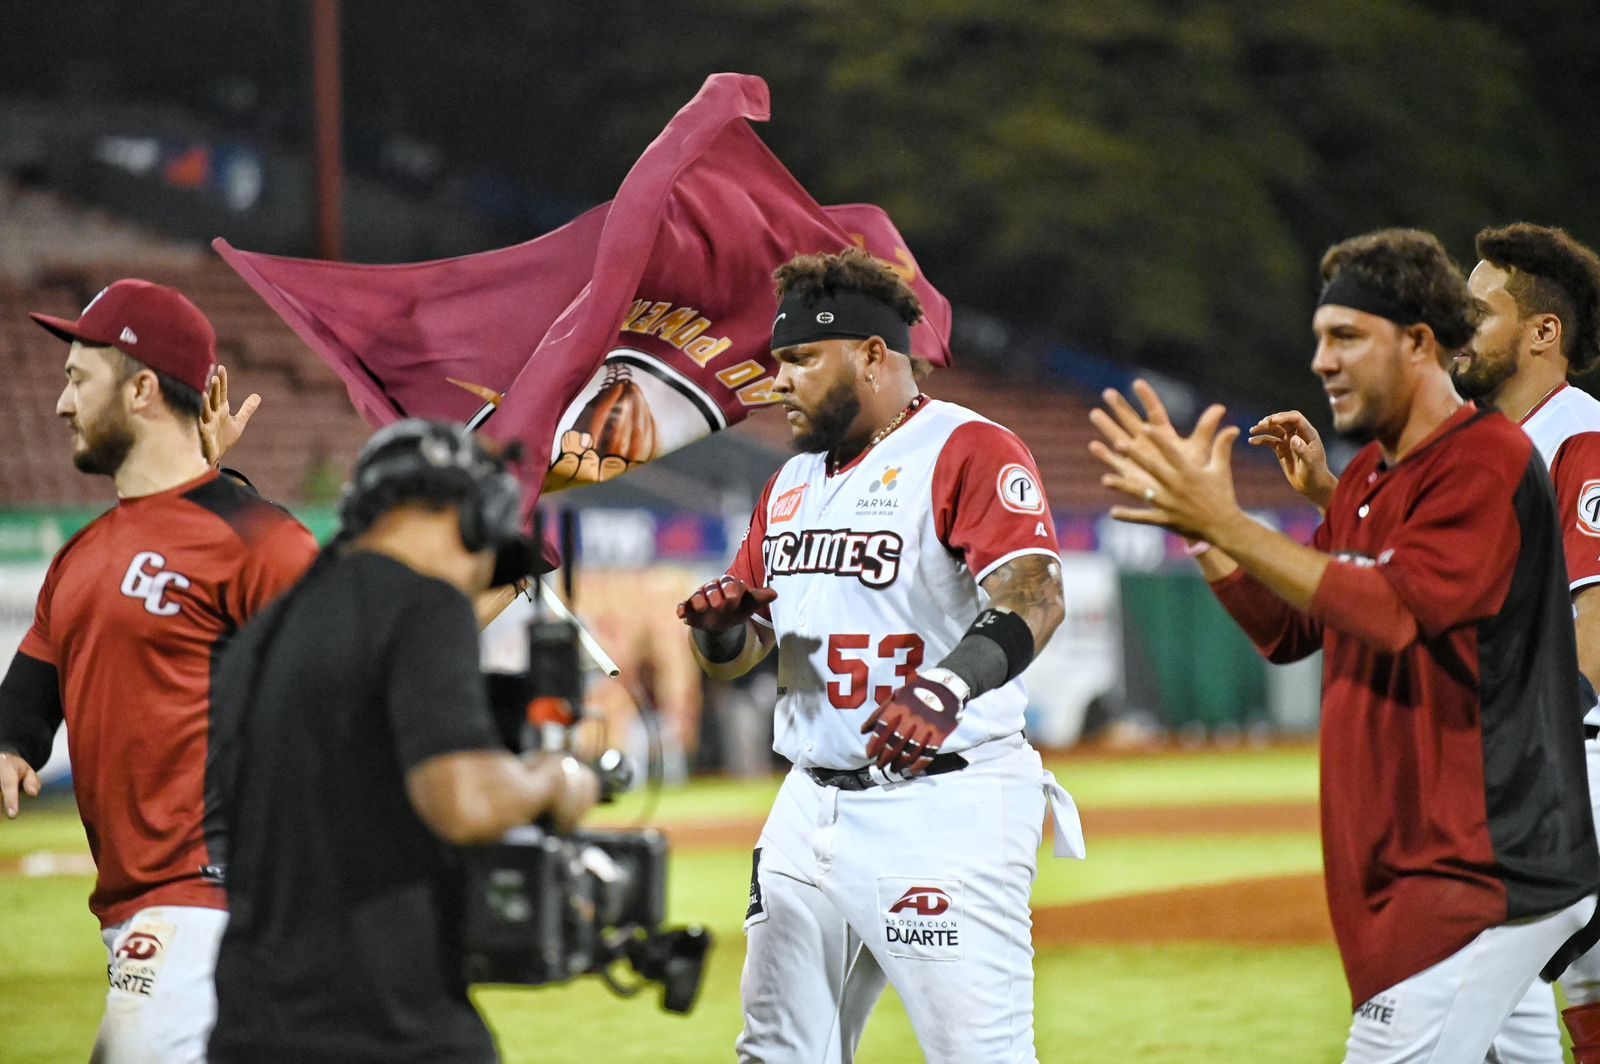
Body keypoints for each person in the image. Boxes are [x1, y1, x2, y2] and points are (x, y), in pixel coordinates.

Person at [1089, 228, 1600, 1063]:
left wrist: (1230, 522)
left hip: (1482, 856)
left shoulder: (1492, 457)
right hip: (1409, 851)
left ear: (1419, 344)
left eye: (1347, 338)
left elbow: (1397, 609)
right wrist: (1208, 533)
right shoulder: (1368, 477)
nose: (1323, 361)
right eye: (1321, 339)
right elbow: (1292, 629)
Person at [676, 248, 1082, 1064]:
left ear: (871, 354)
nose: (777, 380)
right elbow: (781, 656)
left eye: (798, 358)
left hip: (941, 803)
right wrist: (722, 634)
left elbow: (1036, 598)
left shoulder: (967, 448)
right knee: (776, 1054)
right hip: (807, 803)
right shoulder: (789, 481)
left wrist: (944, 687)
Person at [1251, 222, 1600, 1063]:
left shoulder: (1576, 434)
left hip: (1569, 764)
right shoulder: (1489, 447)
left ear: (1542, 332)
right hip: (1540, 767)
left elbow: (1594, 610)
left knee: (1464, 993)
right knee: (1548, 1016)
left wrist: (1546, 736)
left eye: (1478, 313)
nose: (1455, 329)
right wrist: (1338, 495)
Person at [204, 419, 601, 1064]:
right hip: (388, 1024)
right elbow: (463, 799)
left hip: (251, 1020)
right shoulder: (423, 604)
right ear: (465, 515)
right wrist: (553, 778)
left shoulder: (270, 627)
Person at [0, 278, 318, 1063]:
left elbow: (346, 690)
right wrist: (10, 747)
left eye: (79, 380)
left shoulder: (261, 541)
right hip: (135, 915)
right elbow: (31, 692)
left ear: (142, 388)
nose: (61, 406)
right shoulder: (80, 555)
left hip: (211, 901)